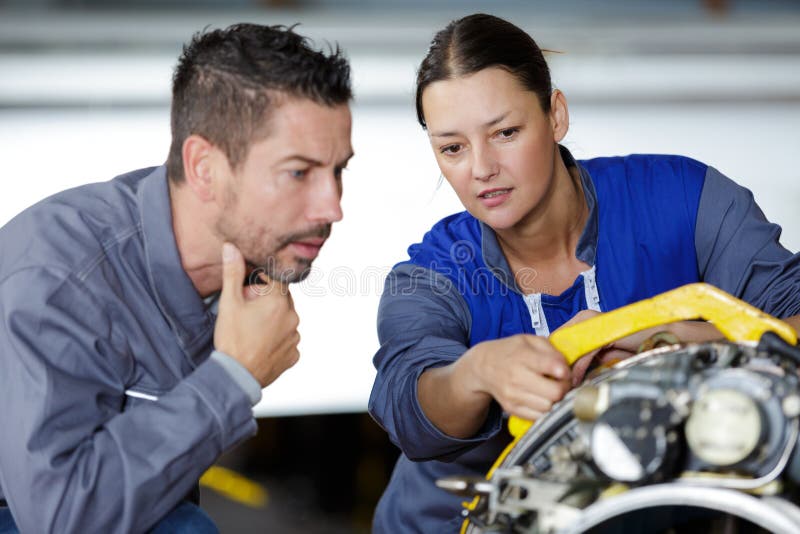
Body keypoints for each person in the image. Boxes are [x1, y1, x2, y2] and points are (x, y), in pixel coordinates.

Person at [367, 13, 800, 532]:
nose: (481, 168)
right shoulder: (431, 274)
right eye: (452, 148)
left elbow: (792, 325)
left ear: (555, 115)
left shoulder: (686, 202)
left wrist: (665, 345)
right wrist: (477, 373)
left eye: (505, 132)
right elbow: (409, 402)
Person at [0, 23, 353, 533]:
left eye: (338, 170)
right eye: (299, 173)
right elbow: (60, 517)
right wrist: (232, 376)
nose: (333, 207)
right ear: (205, 168)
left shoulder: (234, 266)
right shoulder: (61, 284)